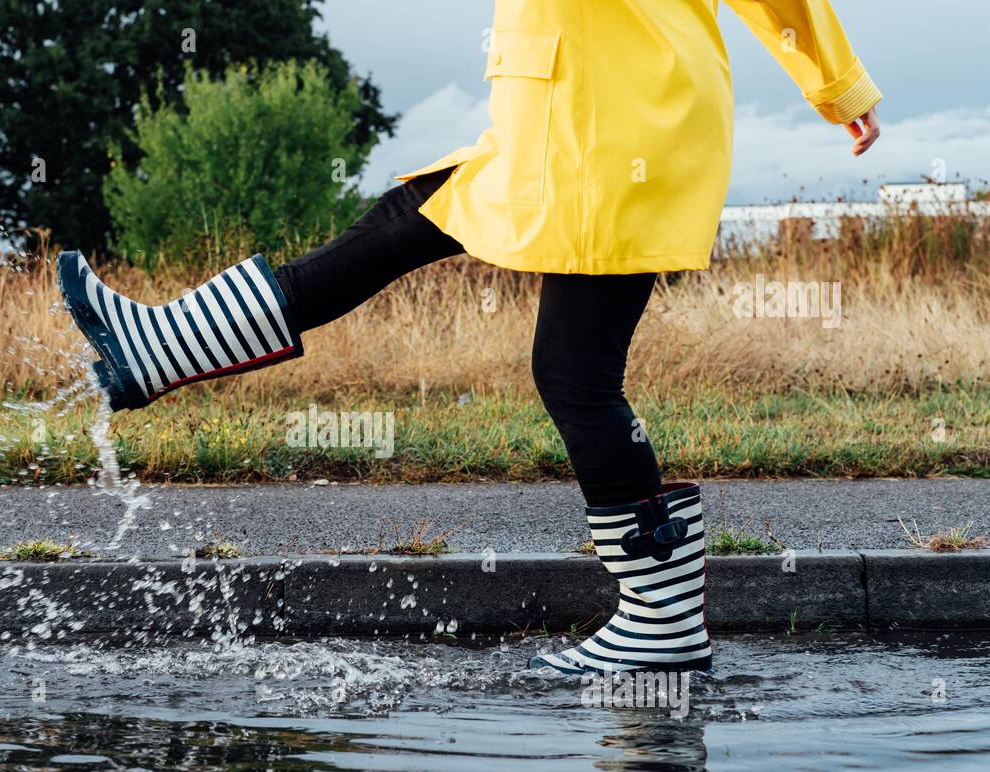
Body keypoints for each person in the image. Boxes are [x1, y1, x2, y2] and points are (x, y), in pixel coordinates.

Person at [58, 0, 882, 676]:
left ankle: (662, 624)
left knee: (573, 371)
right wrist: (839, 87)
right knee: (410, 229)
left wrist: (839, 84)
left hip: (609, 123)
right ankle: (162, 346)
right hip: (579, 119)